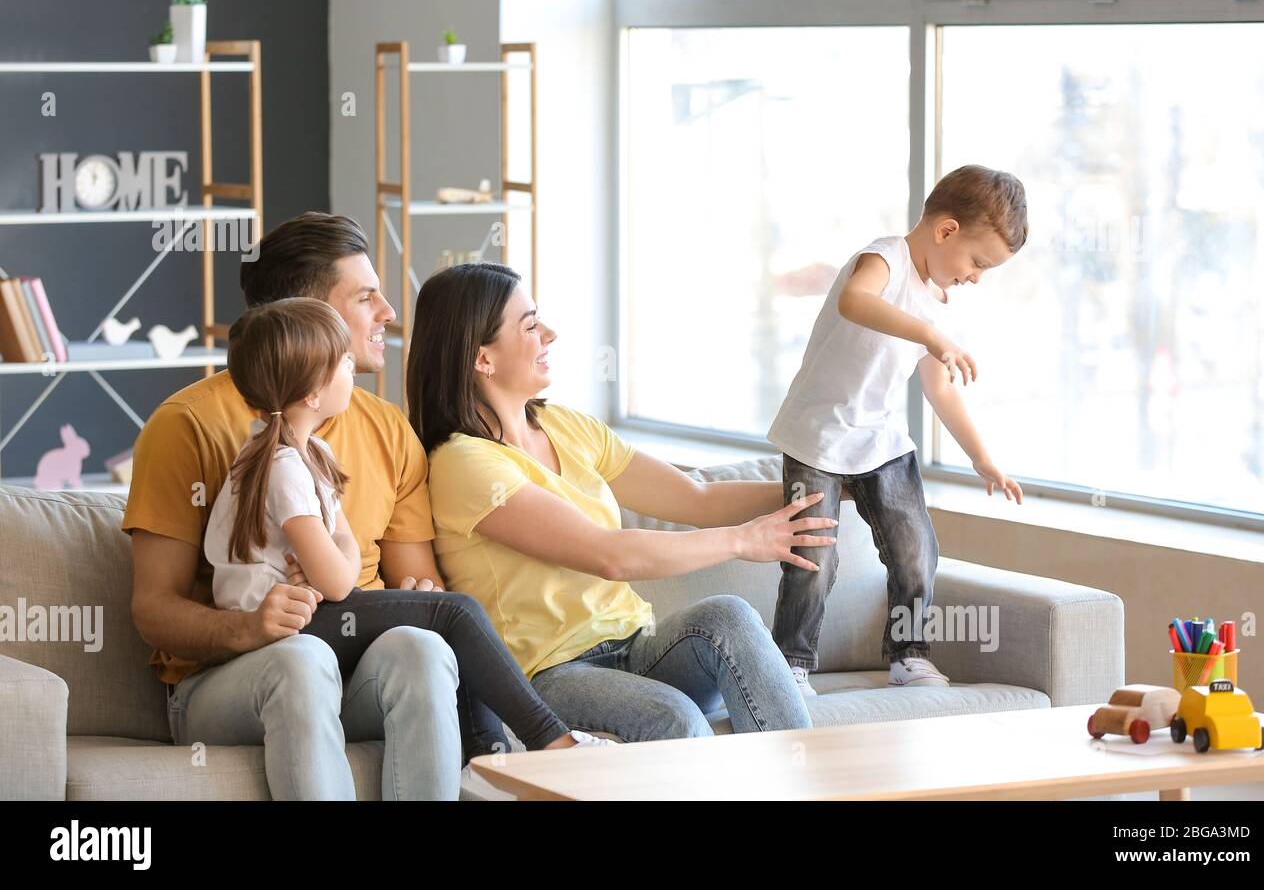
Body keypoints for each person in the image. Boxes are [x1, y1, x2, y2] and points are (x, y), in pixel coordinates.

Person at [126, 213, 487, 800]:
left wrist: (420, 597)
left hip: (354, 666)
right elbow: (153, 609)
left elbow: (414, 578)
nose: (389, 314)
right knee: (300, 662)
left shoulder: (389, 429)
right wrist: (249, 627)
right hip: (230, 684)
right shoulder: (187, 424)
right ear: (304, 317)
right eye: (366, 297)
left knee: (422, 648)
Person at [406, 262, 838, 743]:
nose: (550, 333)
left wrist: (826, 485)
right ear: (482, 358)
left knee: (728, 616)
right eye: (530, 325)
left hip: (636, 645)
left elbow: (697, 498)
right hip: (550, 673)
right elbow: (608, 554)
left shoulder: (568, 427)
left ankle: (805, 781)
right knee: (673, 716)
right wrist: (741, 541)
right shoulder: (463, 464)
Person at [202, 296, 610, 760]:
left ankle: (489, 758)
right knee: (455, 614)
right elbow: (338, 581)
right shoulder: (286, 467)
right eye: (343, 363)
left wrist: (336, 552)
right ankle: (551, 740)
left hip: (309, 613)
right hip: (287, 630)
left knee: (445, 620)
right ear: (313, 393)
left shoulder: (311, 453)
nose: (352, 370)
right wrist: (338, 551)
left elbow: (336, 564)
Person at [766, 164, 1027, 696]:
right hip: (817, 437)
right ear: (947, 230)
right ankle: (790, 663)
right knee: (813, 555)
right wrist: (930, 333)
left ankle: (908, 656)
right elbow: (855, 302)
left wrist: (983, 459)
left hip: (881, 440)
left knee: (916, 548)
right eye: (978, 262)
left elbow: (941, 388)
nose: (976, 276)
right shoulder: (883, 257)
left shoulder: (941, 302)